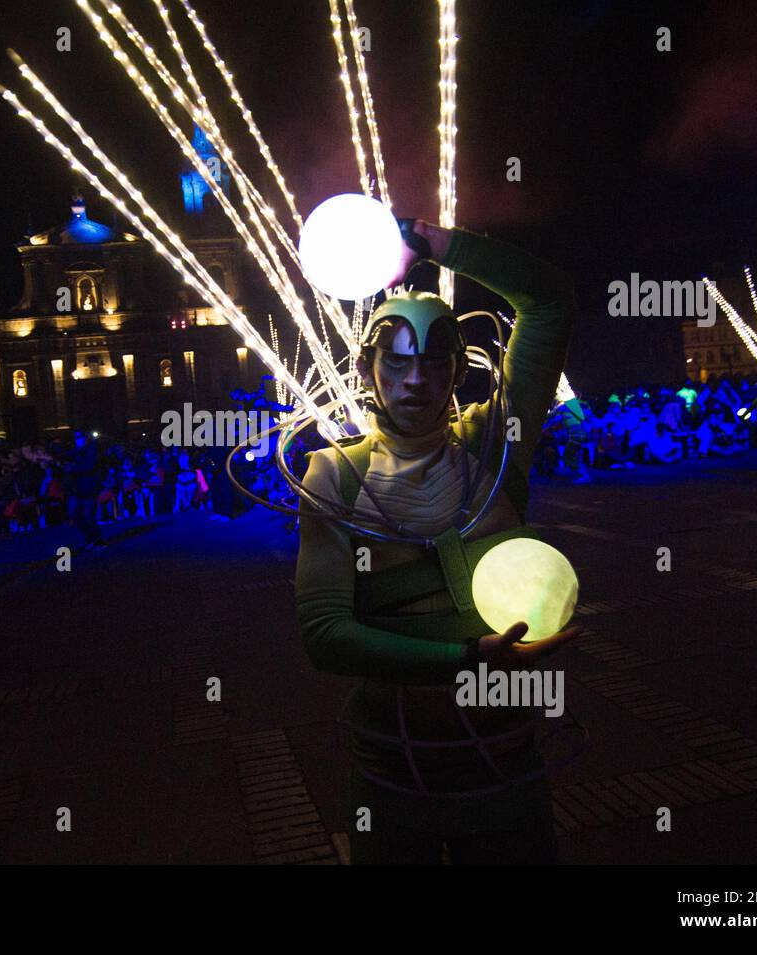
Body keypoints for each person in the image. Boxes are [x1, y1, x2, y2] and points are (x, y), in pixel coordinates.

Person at [295, 220, 583, 865]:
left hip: (505, 759)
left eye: (433, 361)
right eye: (396, 362)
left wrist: (425, 239)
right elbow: (324, 635)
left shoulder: (494, 447)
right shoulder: (335, 474)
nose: (415, 380)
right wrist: (466, 658)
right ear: (369, 370)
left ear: (457, 369)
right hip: (392, 769)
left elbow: (548, 299)